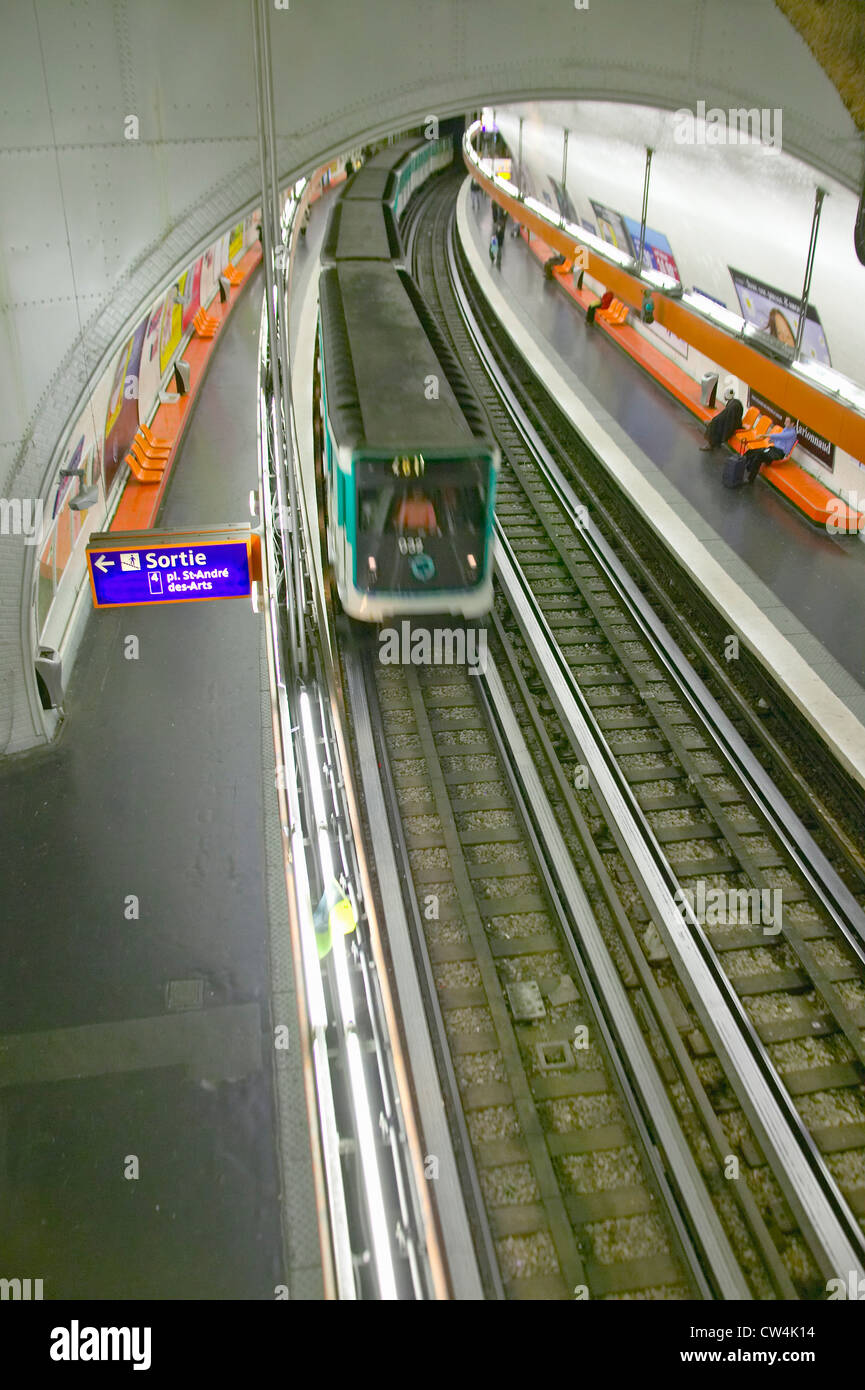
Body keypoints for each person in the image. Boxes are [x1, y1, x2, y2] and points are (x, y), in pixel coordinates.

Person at [741, 417, 798, 482]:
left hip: (778, 453)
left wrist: (764, 435)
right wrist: (773, 441)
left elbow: (779, 436)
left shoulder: (792, 433)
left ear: (792, 424)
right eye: (785, 421)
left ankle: (749, 475)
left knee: (759, 455)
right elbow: (780, 440)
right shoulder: (786, 429)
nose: (785, 423)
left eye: (787, 422)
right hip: (773, 449)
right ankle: (743, 464)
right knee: (753, 451)